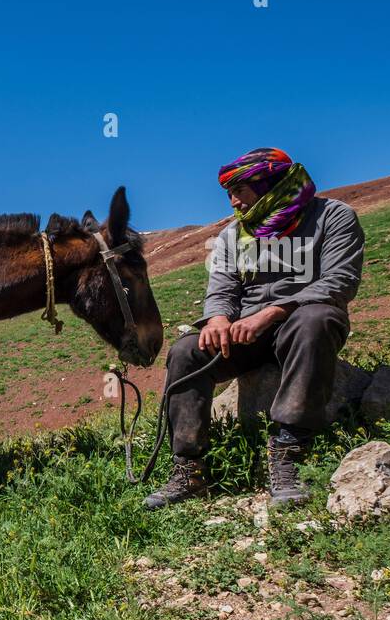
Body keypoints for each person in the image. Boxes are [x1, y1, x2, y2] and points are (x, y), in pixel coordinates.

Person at [145, 147, 365, 510]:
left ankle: (289, 452)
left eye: (240, 190)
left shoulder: (334, 217)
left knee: (316, 320)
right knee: (186, 350)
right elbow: (222, 289)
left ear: (272, 183)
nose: (233, 201)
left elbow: (340, 281)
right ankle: (189, 469)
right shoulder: (234, 235)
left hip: (301, 321)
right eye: (229, 193)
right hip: (246, 330)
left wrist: (272, 312)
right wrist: (217, 319)